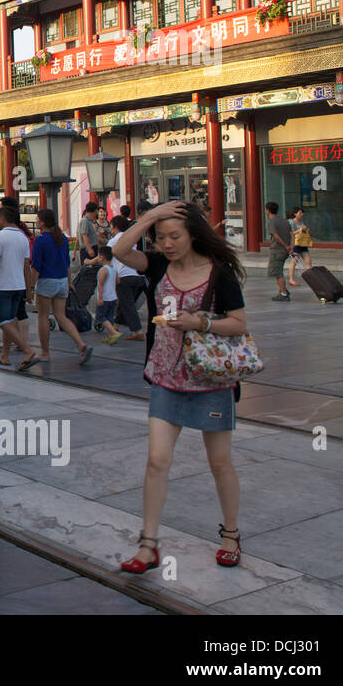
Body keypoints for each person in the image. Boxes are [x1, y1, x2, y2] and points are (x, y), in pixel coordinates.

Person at [112, 200, 248, 574]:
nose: (167, 243)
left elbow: (239, 323)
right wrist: (152, 216)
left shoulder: (219, 274)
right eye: (161, 237)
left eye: (175, 236)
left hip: (211, 379)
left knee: (219, 463)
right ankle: (148, 545)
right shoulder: (157, 265)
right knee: (157, 461)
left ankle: (231, 535)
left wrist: (200, 324)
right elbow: (120, 251)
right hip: (166, 377)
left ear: (193, 235)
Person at [31, 208, 93, 365]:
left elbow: (36, 267)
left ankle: (45, 352)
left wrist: (30, 286)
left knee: (43, 316)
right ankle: (80, 344)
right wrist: (69, 281)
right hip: (61, 281)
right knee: (61, 316)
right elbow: (66, 262)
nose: (36, 221)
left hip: (46, 281)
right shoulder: (62, 239)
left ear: (43, 222)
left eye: (37, 219)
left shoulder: (40, 240)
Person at [0, 205, 39, 371]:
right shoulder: (23, 237)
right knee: (9, 320)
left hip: (4, 286)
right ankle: (5, 357)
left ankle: (27, 350)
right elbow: (26, 266)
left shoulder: (0, 237)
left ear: (3, 218)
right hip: (19, 286)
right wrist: (29, 288)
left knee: (3, 321)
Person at [108, 222, 147, 341]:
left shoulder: (115, 240)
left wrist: (89, 262)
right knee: (125, 302)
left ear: (115, 227)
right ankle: (116, 326)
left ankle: (138, 331)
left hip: (124, 277)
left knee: (128, 305)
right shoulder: (132, 239)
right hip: (138, 277)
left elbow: (103, 255)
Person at [93, 246, 123, 345]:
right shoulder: (114, 269)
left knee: (100, 317)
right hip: (113, 297)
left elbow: (100, 285)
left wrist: (100, 298)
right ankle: (111, 337)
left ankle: (114, 333)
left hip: (105, 298)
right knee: (109, 317)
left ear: (101, 257)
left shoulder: (103, 270)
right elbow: (118, 281)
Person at [265, 201, 292, 301]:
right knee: (278, 271)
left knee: (277, 272)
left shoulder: (271, 221)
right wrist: (291, 247)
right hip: (285, 251)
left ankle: (284, 293)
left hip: (277, 250)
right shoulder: (284, 220)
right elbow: (292, 234)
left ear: (267, 210)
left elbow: (275, 236)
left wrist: (285, 246)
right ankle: (283, 289)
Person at [286, 207, 313, 288]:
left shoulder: (301, 221)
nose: (302, 214)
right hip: (296, 244)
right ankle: (291, 279)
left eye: (302, 213)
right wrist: (301, 229)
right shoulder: (291, 222)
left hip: (303, 243)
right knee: (294, 261)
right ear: (295, 214)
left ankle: (312, 279)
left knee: (308, 261)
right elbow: (292, 233)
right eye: (300, 213)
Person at [77, 202, 100, 266]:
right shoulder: (85, 220)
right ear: (95, 210)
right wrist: (89, 249)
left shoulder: (90, 221)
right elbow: (84, 235)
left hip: (93, 248)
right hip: (88, 249)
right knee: (88, 270)